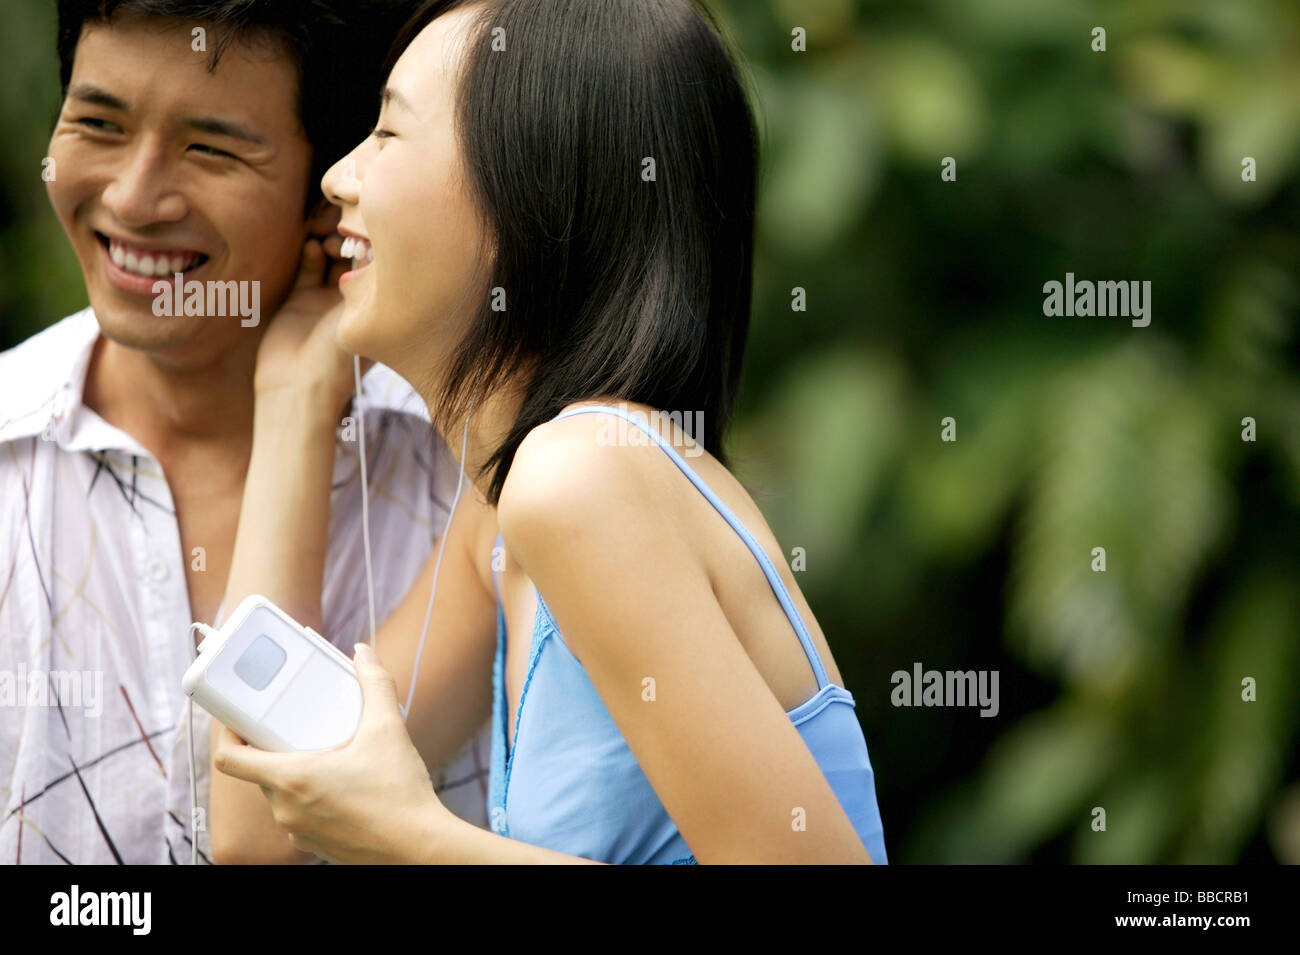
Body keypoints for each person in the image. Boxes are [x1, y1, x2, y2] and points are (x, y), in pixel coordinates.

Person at [212, 0, 888, 865]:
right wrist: (294, 399)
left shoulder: (579, 477)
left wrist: (413, 841)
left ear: (526, 192)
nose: (339, 176)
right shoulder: (499, 518)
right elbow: (254, 826)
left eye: (386, 133)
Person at [0, 0, 494, 865]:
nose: (132, 196)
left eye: (212, 148)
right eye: (98, 123)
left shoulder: (471, 476)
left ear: (328, 191)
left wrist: (300, 402)